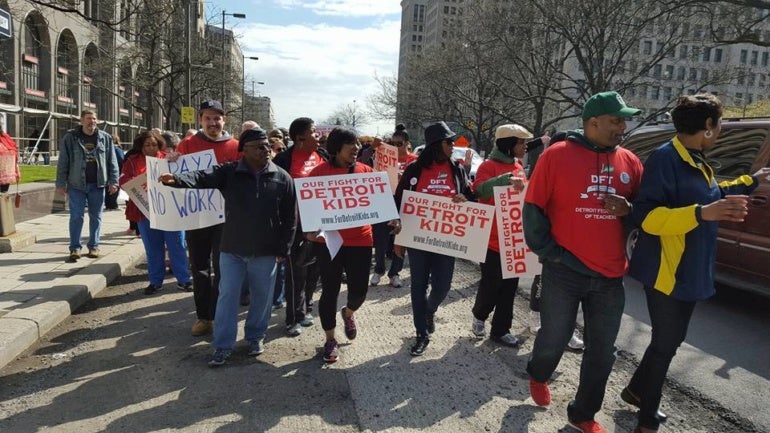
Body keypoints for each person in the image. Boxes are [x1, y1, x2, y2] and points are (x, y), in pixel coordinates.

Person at [622, 94, 770, 433]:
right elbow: (647, 217)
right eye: (719, 124)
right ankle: (647, 418)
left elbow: (711, 194)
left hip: (690, 268)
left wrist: (750, 181)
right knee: (665, 345)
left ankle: (635, 392)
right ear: (708, 126)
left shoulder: (695, 158)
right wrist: (702, 214)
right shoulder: (665, 158)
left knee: (669, 341)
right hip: (666, 269)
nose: (719, 130)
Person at [523, 91, 644, 433]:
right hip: (564, 270)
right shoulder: (557, 156)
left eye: (624, 120)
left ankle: (583, 413)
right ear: (593, 122)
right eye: (616, 120)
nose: (623, 127)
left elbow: (643, 212)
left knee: (602, 353)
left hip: (610, 276)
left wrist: (630, 210)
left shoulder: (631, 162)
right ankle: (539, 373)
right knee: (554, 338)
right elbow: (533, 208)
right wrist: (550, 253)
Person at [159, 128, 297, 367]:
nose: (266, 150)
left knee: (262, 298)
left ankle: (255, 337)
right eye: (259, 146)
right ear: (244, 151)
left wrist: (283, 249)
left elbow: (290, 218)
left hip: (266, 252)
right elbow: (203, 176)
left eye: (267, 146)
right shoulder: (230, 172)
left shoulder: (282, 177)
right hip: (232, 248)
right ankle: (223, 346)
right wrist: (178, 179)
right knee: (227, 297)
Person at [305, 127, 401, 363]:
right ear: (336, 150)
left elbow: (382, 203)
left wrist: (394, 218)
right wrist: (309, 228)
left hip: (360, 241)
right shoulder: (318, 174)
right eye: (352, 147)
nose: (357, 150)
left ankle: (348, 313)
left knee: (359, 292)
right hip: (329, 241)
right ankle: (330, 339)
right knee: (329, 291)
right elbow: (308, 209)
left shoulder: (366, 171)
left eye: (358, 146)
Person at [394, 121, 472, 357]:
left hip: (445, 239)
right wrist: (397, 231)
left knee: (443, 286)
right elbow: (399, 202)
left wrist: (464, 199)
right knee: (418, 285)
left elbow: (470, 197)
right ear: (437, 145)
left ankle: (430, 310)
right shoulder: (415, 170)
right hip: (417, 239)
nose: (453, 146)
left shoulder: (457, 169)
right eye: (449, 142)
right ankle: (421, 333)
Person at [175, 100, 241, 337]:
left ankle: (221, 314)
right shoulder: (188, 144)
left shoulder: (236, 146)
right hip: (196, 216)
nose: (213, 123)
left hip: (226, 218)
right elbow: (175, 173)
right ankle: (204, 317)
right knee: (200, 267)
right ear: (200, 120)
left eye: (217, 118)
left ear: (224, 121)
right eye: (208, 118)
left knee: (224, 268)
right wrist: (171, 161)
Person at [470, 124, 532, 347]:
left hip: (513, 240)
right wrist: (503, 180)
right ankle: (479, 314)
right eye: (521, 142)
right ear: (509, 144)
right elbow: (479, 190)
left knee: (509, 287)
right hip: (491, 240)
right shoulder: (488, 166)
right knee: (491, 284)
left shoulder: (518, 166)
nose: (524, 147)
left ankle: (501, 330)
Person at [273, 117, 329, 336]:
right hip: (294, 226)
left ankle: (307, 308)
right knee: (296, 272)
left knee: (314, 269)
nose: (317, 136)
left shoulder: (322, 156)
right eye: (313, 132)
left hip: (320, 224)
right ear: (299, 138)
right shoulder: (283, 160)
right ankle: (293, 317)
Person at [119, 130, 191, 295]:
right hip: (145, 212)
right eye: (147, 145)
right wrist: (141, 179)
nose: (151, 148)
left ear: (159, 145)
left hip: (171, 212)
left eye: (154, 144)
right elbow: (123, 181)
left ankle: (184, 280)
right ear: (141, 146)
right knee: (153, 248)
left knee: (177, 246)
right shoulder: (132, 162)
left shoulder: (167, 158)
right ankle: (155, 281)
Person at [55, 110, 119, 262]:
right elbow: (63, 161)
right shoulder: (70, 138)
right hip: (76, 185)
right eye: (89, 119)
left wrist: (114, 181)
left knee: (96, 217)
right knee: (76, 217)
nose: (92, 121)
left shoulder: (105, 138)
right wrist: (60, 183)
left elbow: (112, 161)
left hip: (98, 185)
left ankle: (94, 246)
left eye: (94, 118)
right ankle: (75, 248)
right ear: (82, 121)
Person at [370, 124, 416, 288]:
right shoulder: (384, 157)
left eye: (400, 144)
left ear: (407, 143)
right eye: (393, 143)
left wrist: (402, 177)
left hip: (404, 203)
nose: (396, 147)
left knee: (400, 240)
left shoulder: (414, 161)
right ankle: (379, 269)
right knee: (381, 240)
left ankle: (394, 273)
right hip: (384, 201)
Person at [104, 133, 125, 211]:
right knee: (115, 187)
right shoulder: (117, 149)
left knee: (107, 188)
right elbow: (122, 160)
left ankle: (108, 204)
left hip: (106, 171)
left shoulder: (106, 149)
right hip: (116, 171)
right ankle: (112, 204)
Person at [0, 116, 20, 193]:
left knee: (3, 195)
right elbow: (14, 151)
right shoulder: (6, 137)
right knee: (4, 194)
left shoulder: (5, 137)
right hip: (7, 174)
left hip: (6, 174)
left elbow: (14, 151)